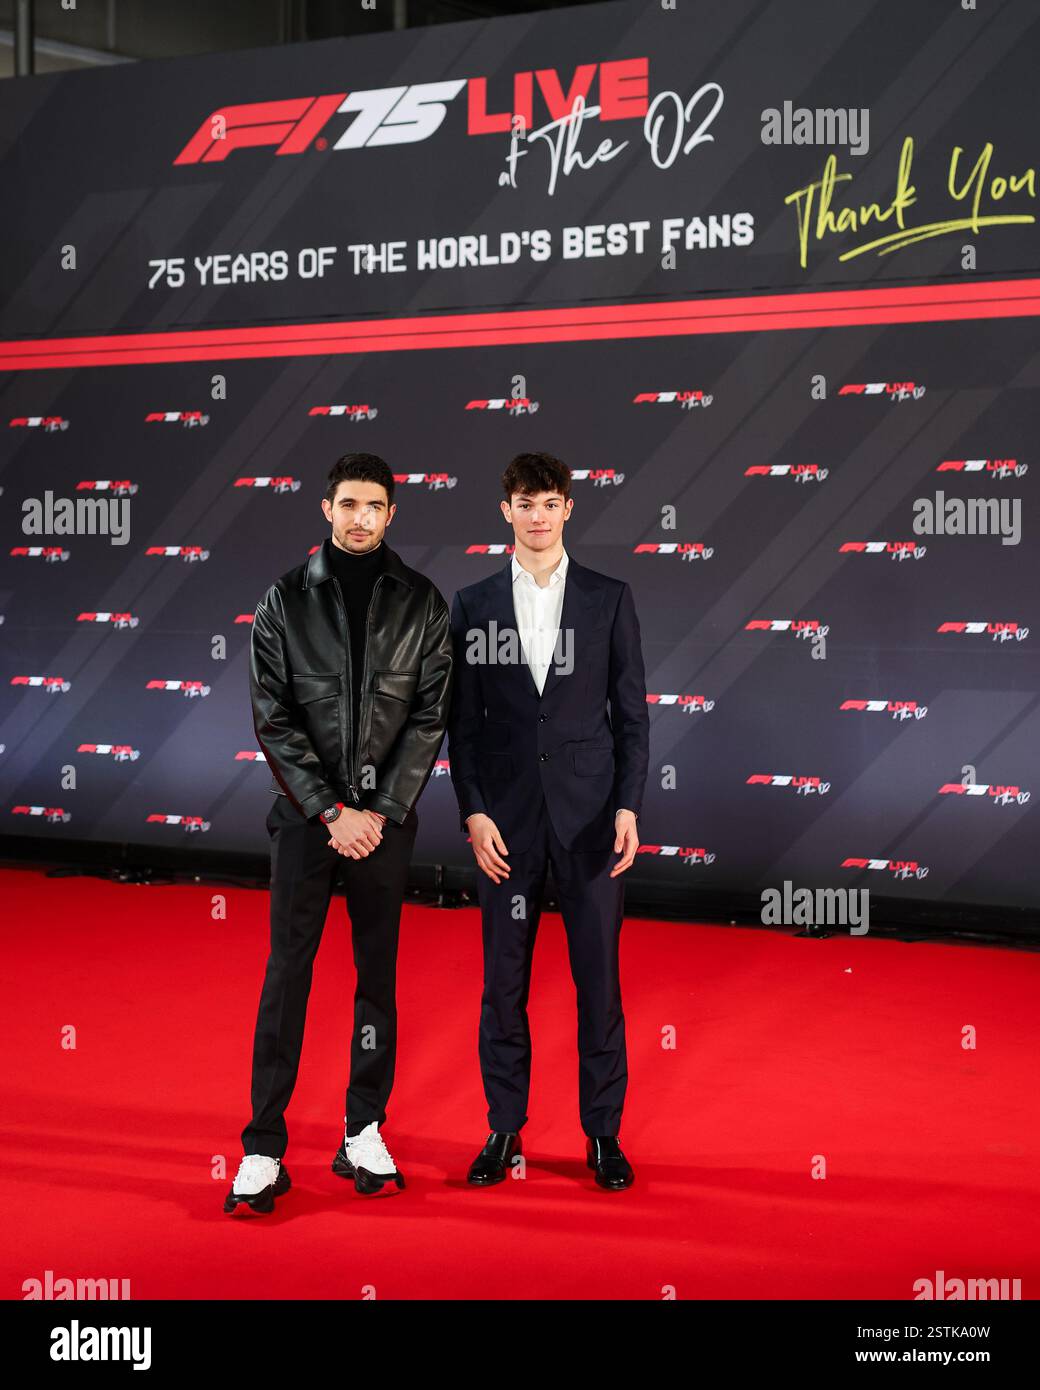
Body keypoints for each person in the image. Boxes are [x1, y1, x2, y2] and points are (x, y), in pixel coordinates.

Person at [224, 452, 453, 1213]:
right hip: (304, 821)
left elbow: (427, 719)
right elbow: (274, 718)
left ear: (393, 515)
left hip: (384, 828)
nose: (361, 517)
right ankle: (262, 1147)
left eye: (375, 506)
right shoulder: (283, 602)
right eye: (348, 503)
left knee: (375, 981)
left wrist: (379, 813)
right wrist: (331, 810)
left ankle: (363, 1128)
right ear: (326, 508)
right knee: (287, 976)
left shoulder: (422, 603)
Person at [447, 452, 649, 1191]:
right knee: (504, 986)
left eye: (550, 502)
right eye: (525, 502)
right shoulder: (470, 605)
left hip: (592, 822)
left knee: (599, 984)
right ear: (506, 510)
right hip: (505, 827)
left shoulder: (608, 597)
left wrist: (628, 804)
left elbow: (631, 718)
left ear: (569, 509)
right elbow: (461, 726)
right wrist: (472, 811)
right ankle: (504, 1131)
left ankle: (604, 1137)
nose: (537, 515)